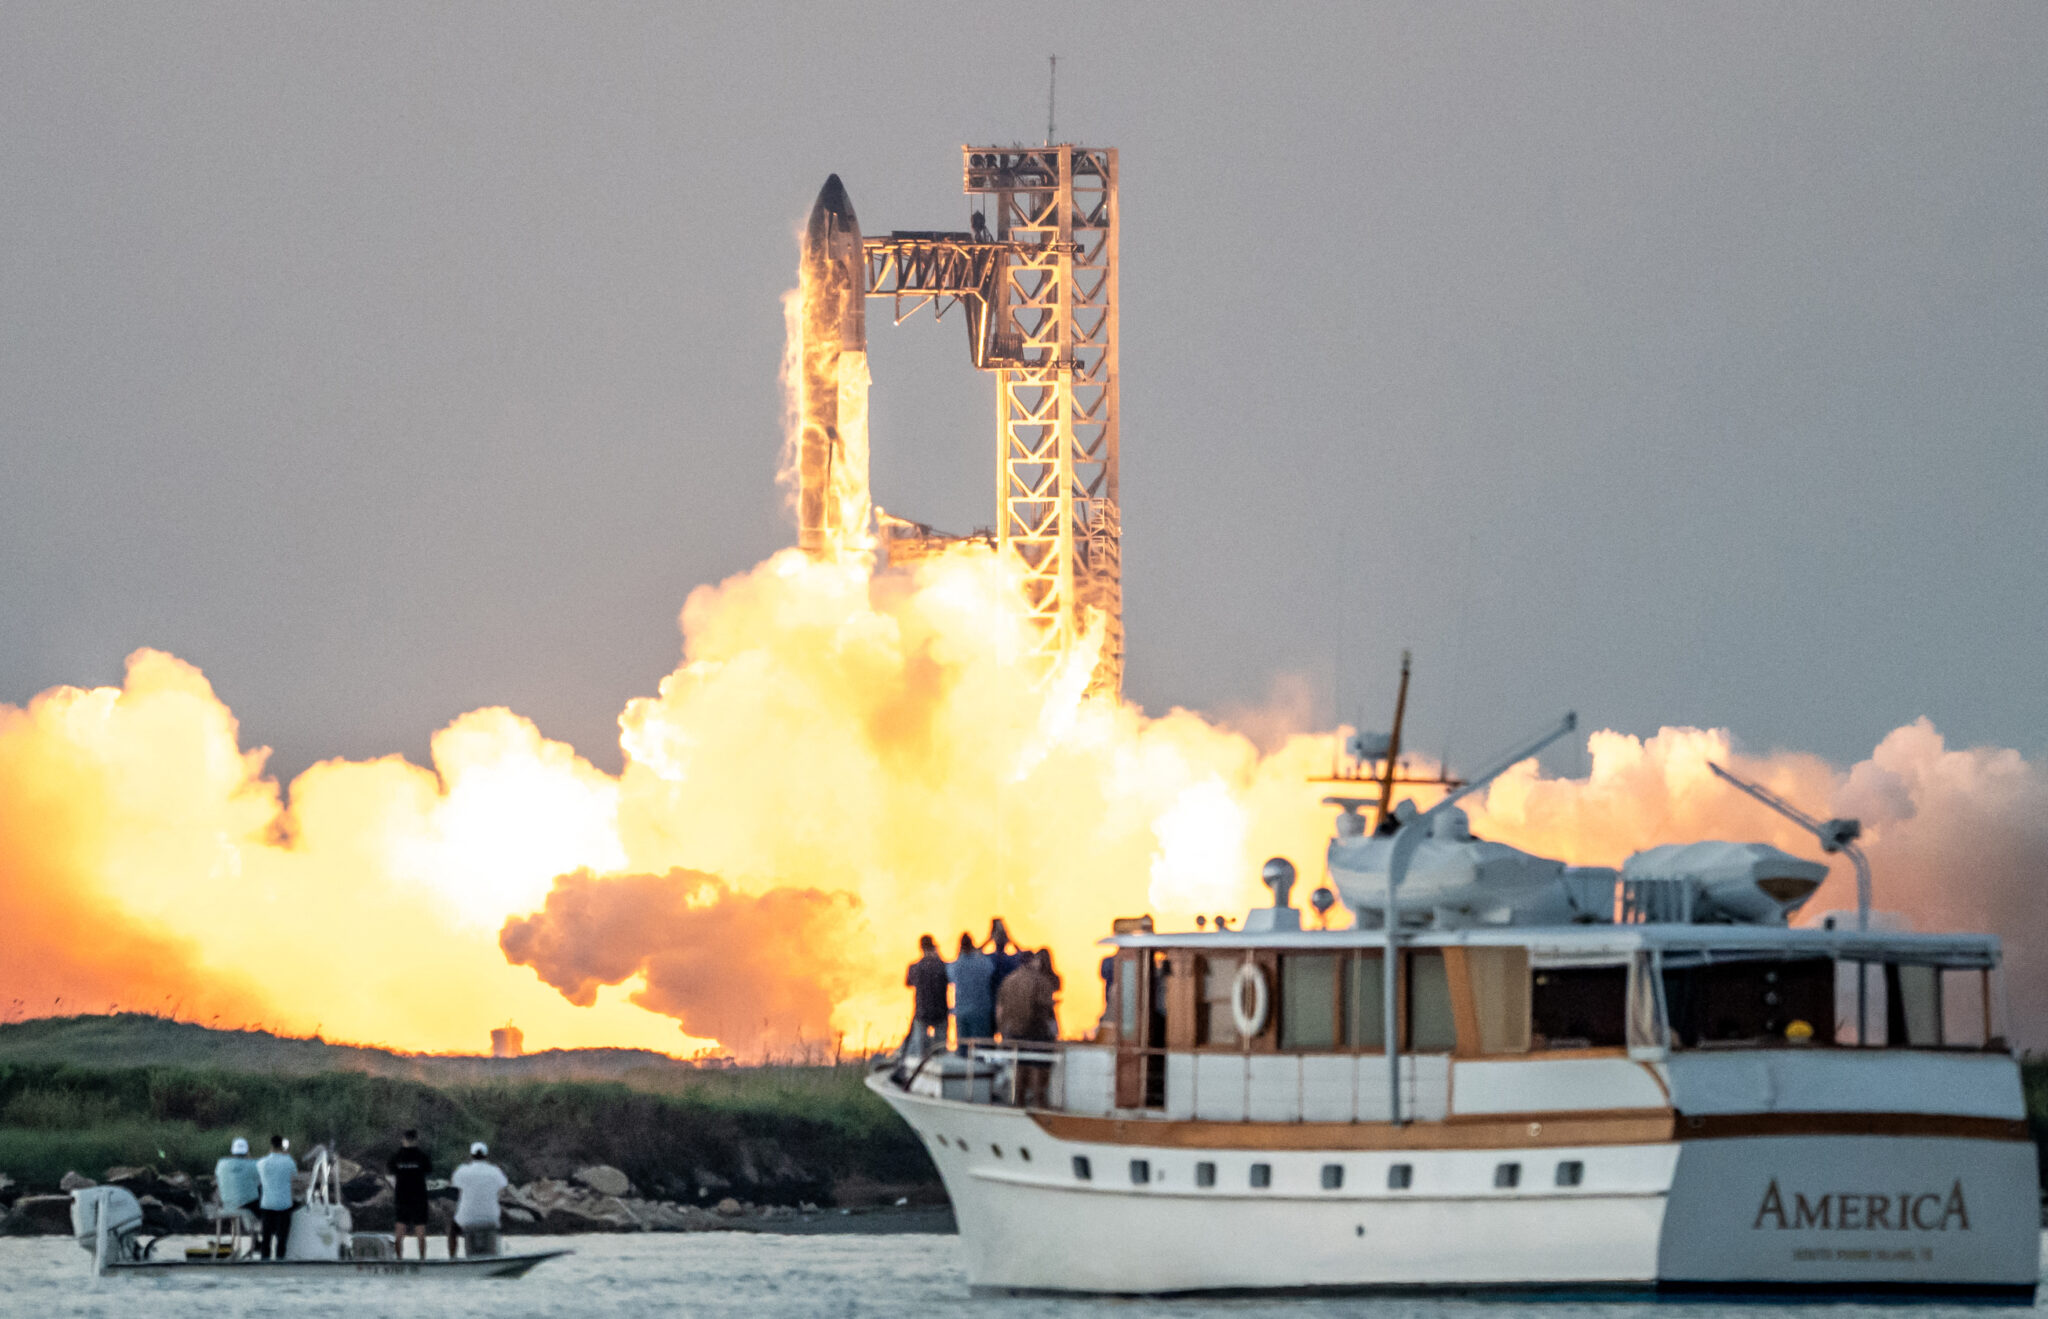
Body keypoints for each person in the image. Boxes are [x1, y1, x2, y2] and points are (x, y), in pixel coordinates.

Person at [996, 950, 1059, 1107]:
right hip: (1035, 1032)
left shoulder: (1008, 980)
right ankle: (1039, 1101)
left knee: (1019, 1065)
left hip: (1012, 1033)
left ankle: (1019, 1100)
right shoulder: (1040, 981)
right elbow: (1046, 1007)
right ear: (1034, 961)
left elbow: (1000, 1009)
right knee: (1038, 1066)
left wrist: (1003, 1031)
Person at [449, 1141, 509, 1257]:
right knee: (496, 1221)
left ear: (471, 1155)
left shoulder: (462, 1170)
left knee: (452, 1230)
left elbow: (455, 1188)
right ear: (486, 1155)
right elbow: (503, 1190)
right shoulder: (495, 1171)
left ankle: (452, 1258)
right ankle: (496, 1254)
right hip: (491, 1218)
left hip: (466, 1218)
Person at [903, 934, 950, 1059]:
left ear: (921, 948)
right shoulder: (942, 966)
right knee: (941, 1052)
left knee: (920, 1053)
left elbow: (908, 983)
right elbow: (950, 978)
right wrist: (938, 955)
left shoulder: (914, 967)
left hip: (921, 1012)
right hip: (941, 1012)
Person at [387, 1128, 432, 1259]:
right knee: (420, 1232)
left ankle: (399, 1259)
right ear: (416, 1140)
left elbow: (391, 1170)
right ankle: (422, 1258)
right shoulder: (422, 1156)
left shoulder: (396, 1157)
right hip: (419, 1197)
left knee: (399, 1232)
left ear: (403, 1139)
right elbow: (428, 1170)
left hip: (402, 1197)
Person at [949, 932, 996, 1048]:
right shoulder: (983, 962)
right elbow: (991, 971)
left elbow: (950, 977)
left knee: (963, 1050)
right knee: (981, 1048)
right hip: (981, 1011)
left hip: (961, 1011)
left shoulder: (956, 965)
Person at [254, 1134, 297, 1260]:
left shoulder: (261, 1162)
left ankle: (265, 1259)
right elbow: (294, 1177)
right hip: (284, 1204)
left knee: (266, 1236)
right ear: (282, 1145)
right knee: (282, 1237)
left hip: (267, 1203)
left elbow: (258, 1180)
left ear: (271, 1145)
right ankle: (280, 1259)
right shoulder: (289, 1161)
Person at [213, 1137, 260, 1241]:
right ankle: (257, 1238)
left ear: (232, 1151)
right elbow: (260, 1183)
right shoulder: (254, 1164)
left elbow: (218, 1182)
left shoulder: (221, 1164)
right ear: (247, 1151)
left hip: (226, 1207)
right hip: (246, 1208)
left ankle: (253, 1240)